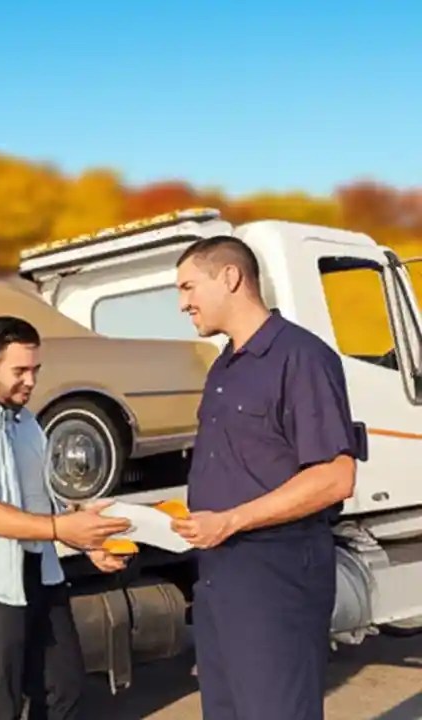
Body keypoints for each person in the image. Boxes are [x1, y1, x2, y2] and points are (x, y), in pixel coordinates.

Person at [170, 235, 359, 720]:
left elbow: (335, 477)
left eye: (189, 286)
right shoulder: (223, 367)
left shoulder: (300, 357)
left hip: (276, 575)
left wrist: (231, 520)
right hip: (219, 576)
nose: (182, 303)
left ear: (230, 277)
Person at [0, 315, 133, 720]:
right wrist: (60, 528)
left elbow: (43, 504)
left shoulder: (27, 425)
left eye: (35, 370)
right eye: (19, 371)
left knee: (65, 689)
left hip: (40, 574)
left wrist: (88, 540)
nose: (31, 381)